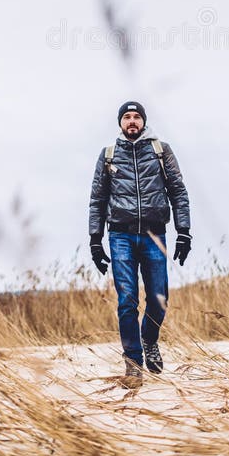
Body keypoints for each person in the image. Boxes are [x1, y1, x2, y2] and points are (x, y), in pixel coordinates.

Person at [89, 101, 192, 387]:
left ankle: (149, 339)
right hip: (120, 235)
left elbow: (178, 192)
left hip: (154, 235)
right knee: (127, 302)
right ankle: (133, 362)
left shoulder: (161, 151)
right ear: (120, 123)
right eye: (127, 117)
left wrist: (183, 232)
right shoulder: (108, 156)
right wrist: (95, 241)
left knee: (159, 299)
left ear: (144, 121)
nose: (132, 121)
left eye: (136, 117)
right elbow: (97, 199)